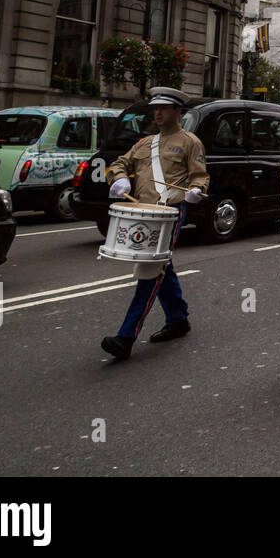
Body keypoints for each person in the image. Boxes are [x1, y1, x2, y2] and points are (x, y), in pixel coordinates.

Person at [101, 87, 208, 360]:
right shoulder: (144, 143)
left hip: (170, 212)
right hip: (142, 212)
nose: (157, 113)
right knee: (161, 265)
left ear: (177, 112)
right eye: (155, 108)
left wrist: (196, 191)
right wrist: (119, 178)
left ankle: (126, 336)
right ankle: (177, 318)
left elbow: (200, 177)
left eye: (163, 108)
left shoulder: (190, 142)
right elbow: (118, 164)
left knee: (150, 268)